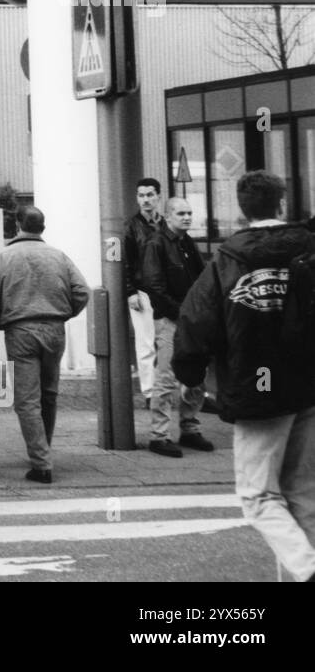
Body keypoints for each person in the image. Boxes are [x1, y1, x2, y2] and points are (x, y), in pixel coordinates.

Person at [174, 170, 315, 582]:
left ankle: (307, 569)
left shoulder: (228, 259)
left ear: (241, 209)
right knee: (301, 492)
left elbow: (196, 318)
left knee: (257, 495)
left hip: (261, 381)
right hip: (307, 383)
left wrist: (190, 373)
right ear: (282, 204)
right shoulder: (308, 250)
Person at [0, 205, 89, 484]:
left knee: (27, 400)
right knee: (49, 394)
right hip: (55, 329)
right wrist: (63, 312)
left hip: (20, 331)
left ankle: (41, 462)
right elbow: (82, 292)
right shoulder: (59, 257)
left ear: (17, 225)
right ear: (42, 228)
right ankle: (42, 450)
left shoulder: (2, 258)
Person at [141, 197, 212, 458]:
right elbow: (153, 286)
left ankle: (190, 428)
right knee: (167, 377)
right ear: (168, 216)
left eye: (190, 213)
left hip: (190, 319)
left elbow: (202, 278)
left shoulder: (187, 243)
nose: (187, 217)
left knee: (196, 374)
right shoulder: (157, 244)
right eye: (181, 213)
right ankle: (159, 435)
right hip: (171, 320)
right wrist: (182, 313)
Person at [124, 177, 163, 407]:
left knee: (165, 341)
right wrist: (130, 291)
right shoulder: (131, 226)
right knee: (146, 343)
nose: (146, 199)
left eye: (150, 194)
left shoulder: (164, 224)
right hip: (143, 292)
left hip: (163, 292)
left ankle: (161, 387)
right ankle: (149, 393)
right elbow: (128, 261)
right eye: (141, 195)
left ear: (158, 196)